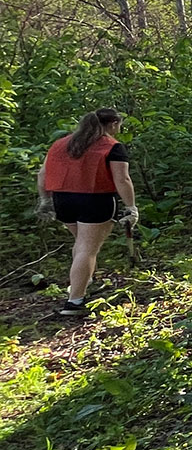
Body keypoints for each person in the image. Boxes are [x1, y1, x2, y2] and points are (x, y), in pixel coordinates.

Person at [38, 108, 139, 316]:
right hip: (95, 199)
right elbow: (122, 179)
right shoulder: (111, 146)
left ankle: (85, 280)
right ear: (113, 124)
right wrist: (131, 207)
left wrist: (45, 200)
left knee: (81, 243)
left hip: (62, 199)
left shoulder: (60, 144)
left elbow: (43, 174)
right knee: (87, 248)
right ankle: (75, 301)